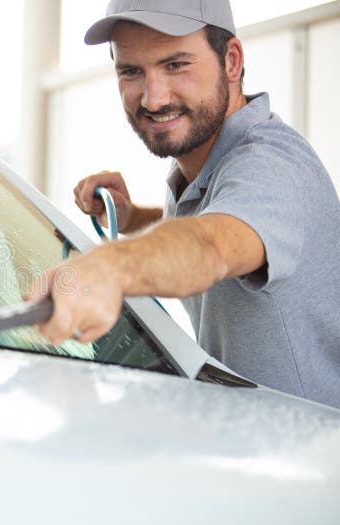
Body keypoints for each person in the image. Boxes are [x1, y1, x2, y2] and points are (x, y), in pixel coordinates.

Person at [24, 0, 340, 408]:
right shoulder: (211, 167)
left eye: (176, 65)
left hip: (314, 457)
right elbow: (217, 216)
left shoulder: (270, 165)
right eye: (131, 71)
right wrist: (135, 217)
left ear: (231, 60)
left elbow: (213, 245)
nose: (153, 99)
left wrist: (111, 266)